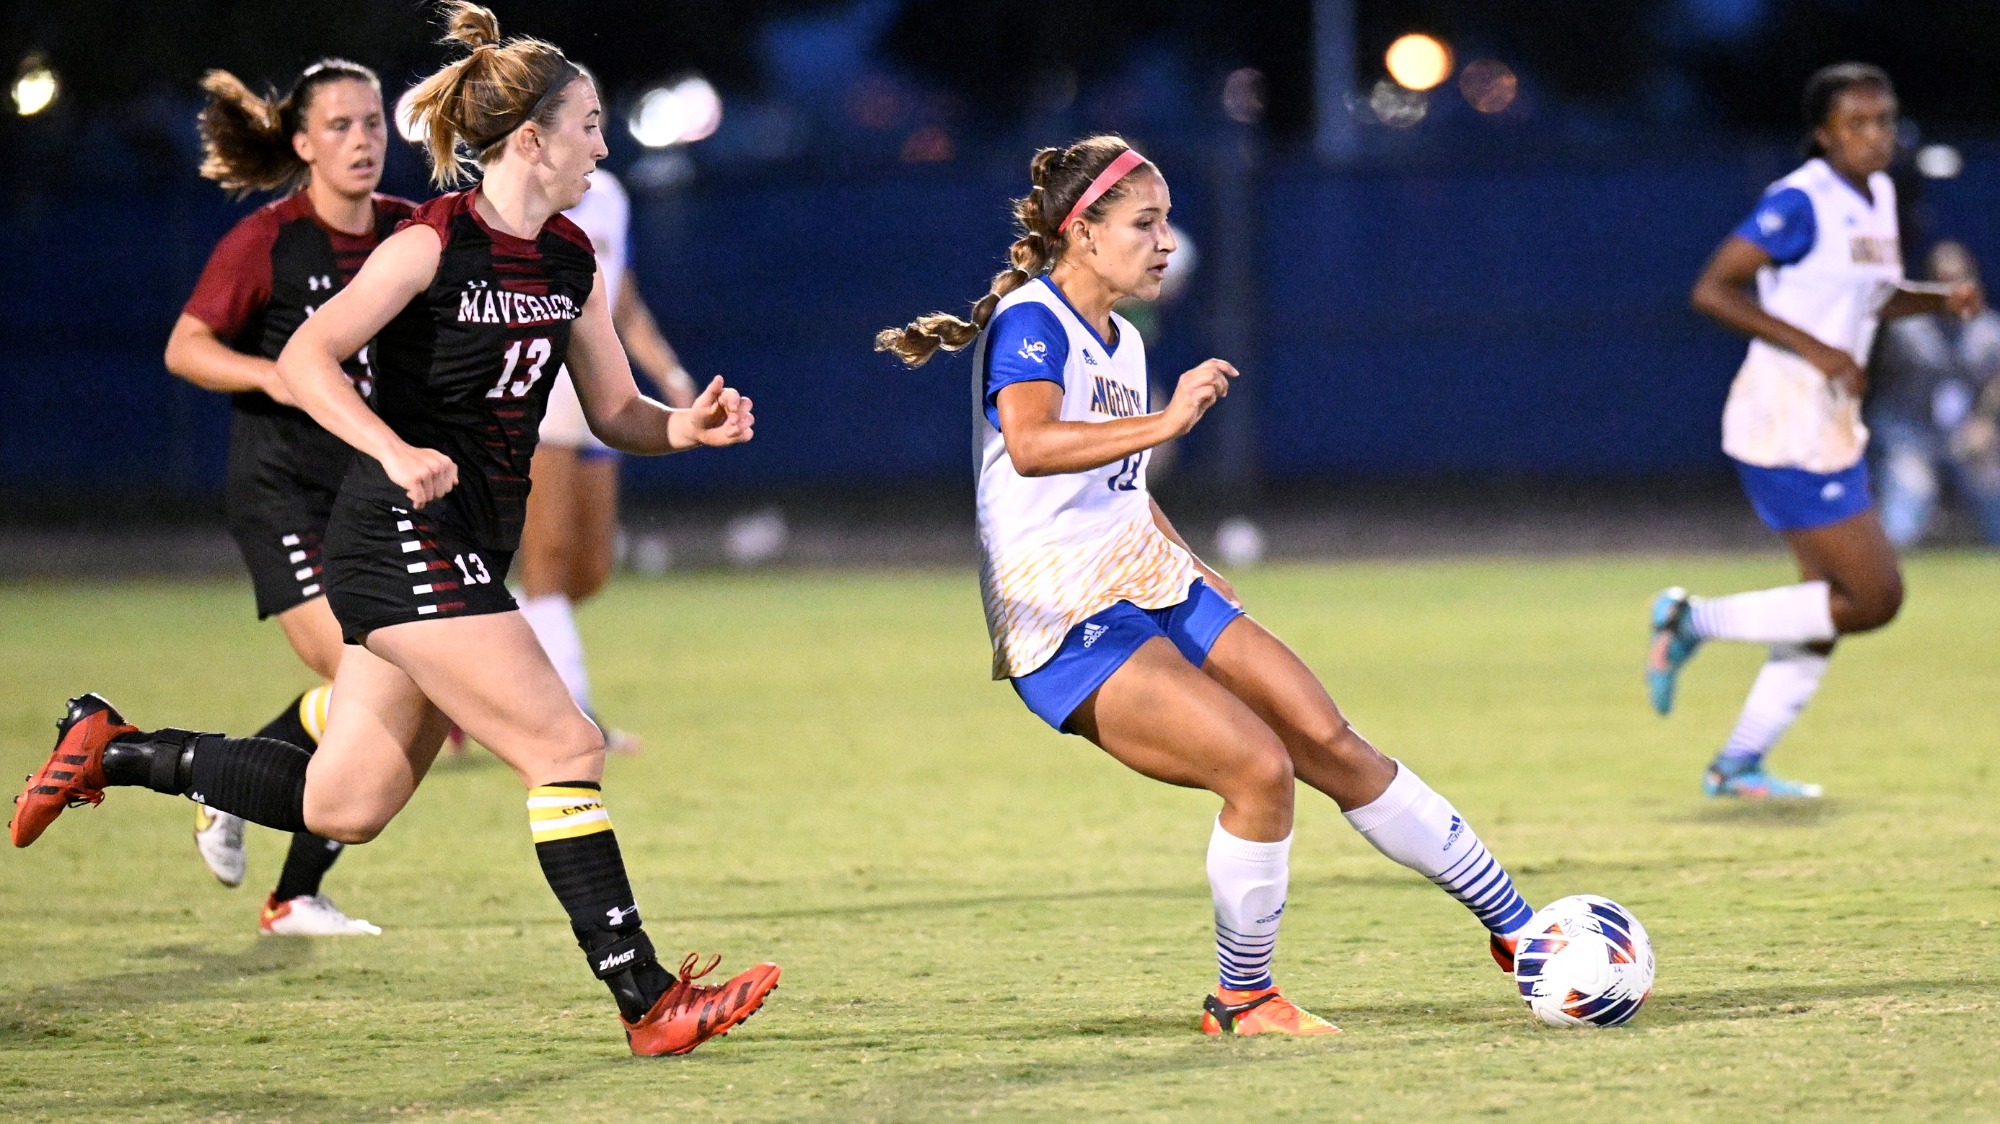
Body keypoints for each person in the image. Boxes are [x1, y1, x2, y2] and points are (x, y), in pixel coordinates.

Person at [12, 2, 777, 1057]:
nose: (603, 146)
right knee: (565, 744)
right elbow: (306, 358)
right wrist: (391, 447)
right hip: (398, 535)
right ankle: (647, 998)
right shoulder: (430, 243)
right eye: (590, 125)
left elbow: (613, 412)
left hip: (463, 544)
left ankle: (119, 749)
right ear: (531, 140)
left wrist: (681, 427)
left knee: (348, 802)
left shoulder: (570, 260)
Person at [875, 135, 1537, 1037]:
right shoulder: (1033, 322)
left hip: (1151, 575)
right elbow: (1031, 446)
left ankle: (1519, 929)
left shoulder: (1122, 342)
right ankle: (1244, 999)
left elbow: (1118, 490)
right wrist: (1169, 418)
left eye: (1168, 222)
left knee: (1328, 739)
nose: (1166, 243)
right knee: (1259, 769)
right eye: (1145, 224)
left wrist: (1186, 557)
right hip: (1062, 613)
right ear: (1083, 232)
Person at [1657, 63, 1982, 799]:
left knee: (1826, 605)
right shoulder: (1801, 199)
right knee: (1875, 597)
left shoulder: (1879, 195)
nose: (1875, 135)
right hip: (1785, 419)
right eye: (1856, 123)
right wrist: (1819, 350)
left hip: (1829, 419)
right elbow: (1713, 288)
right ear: (1824, 134)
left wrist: (1937, 300)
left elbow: (1870, 297)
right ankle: (1690, 621)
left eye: (1884, 120)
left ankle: (1738, 763)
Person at [164, 58, 417, 936]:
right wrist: (277, 374)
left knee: (389, 688)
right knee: (364, 676)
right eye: (340, 126)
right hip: (285, 494)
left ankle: (287, 884)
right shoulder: (269, 239)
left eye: (374, 122)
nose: (362, 140)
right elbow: (186, 347)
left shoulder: (407, 231)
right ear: (303, 144)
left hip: (368, 495)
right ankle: (232, 801)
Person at [511, 163, 697, 755]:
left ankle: (466, 661)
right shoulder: (514, 194)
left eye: (597, 123)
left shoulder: (610, 196)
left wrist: (670, 374)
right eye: (585, 124)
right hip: (539, 397)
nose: (597, 141)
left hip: (599, 400)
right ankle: (574, 717)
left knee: (588, 571)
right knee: (546, 563)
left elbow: (624, 304)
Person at [1867, 240, 2000, 547]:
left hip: (1967, 434)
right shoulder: (1905, 329)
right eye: (1943, 281)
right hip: (1910, 433)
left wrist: (1984, 421)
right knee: (1906, 506)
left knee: (1993, 491)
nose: (1952, 289)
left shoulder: (1989, 331)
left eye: (1958, 279)